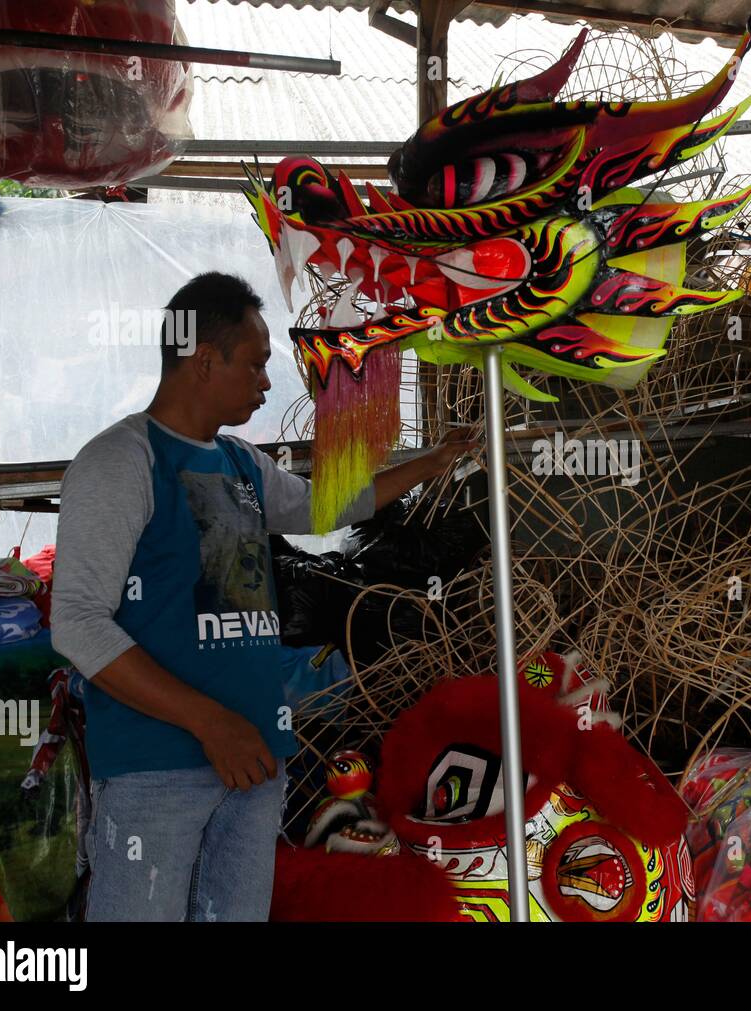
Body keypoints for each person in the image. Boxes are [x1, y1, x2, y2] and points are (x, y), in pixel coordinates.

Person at [51, 272, 475, 922]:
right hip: (157, 770)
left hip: (252, 764)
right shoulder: (121, 462)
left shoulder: (240, 462)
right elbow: (78, 625)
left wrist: (431, 462)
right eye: (254, 365)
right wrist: (208, 722)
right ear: (203, 359)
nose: (267, 383)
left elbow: (321, 506)